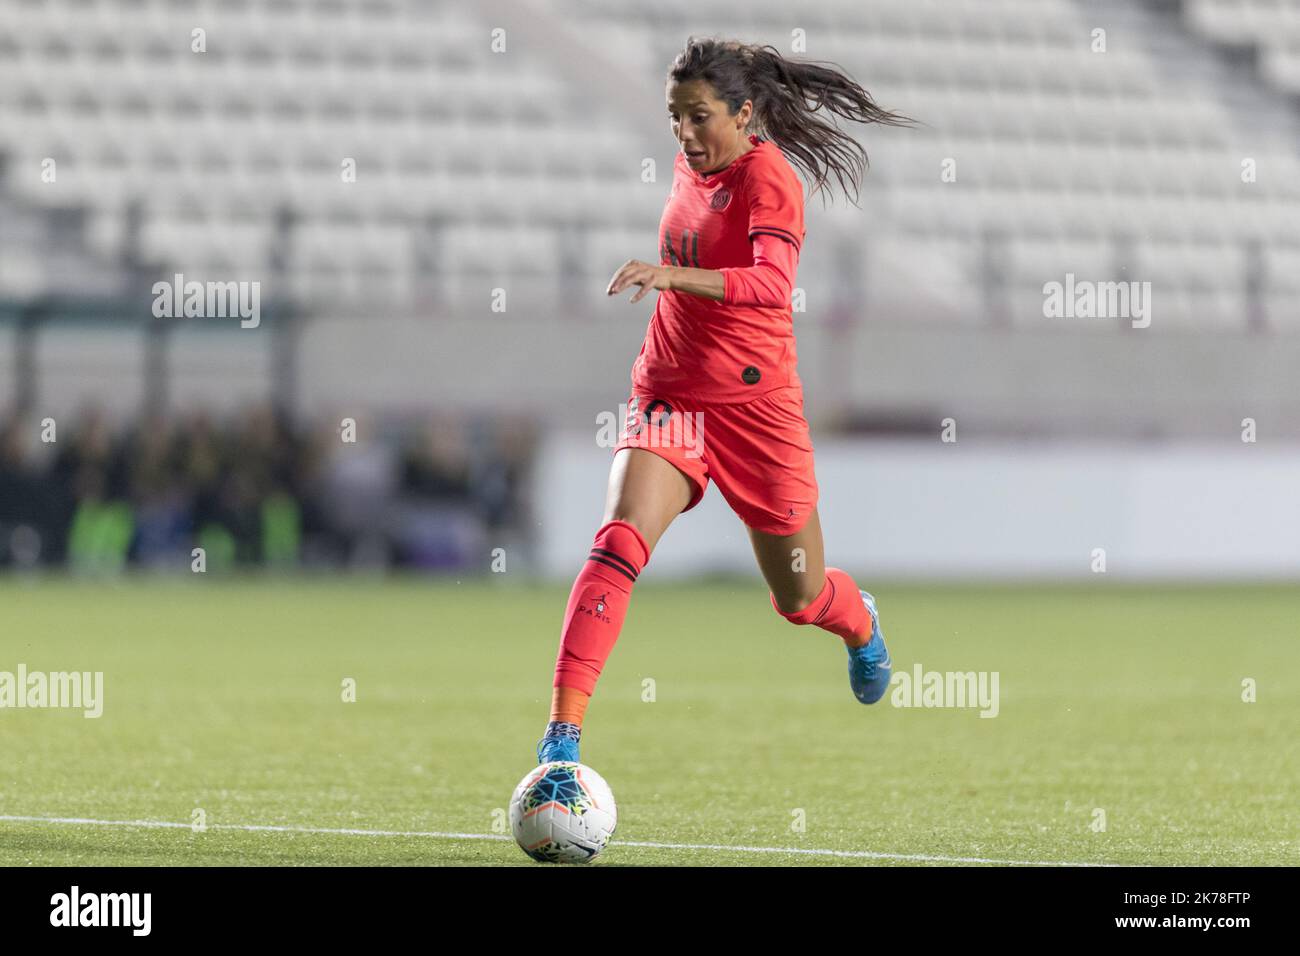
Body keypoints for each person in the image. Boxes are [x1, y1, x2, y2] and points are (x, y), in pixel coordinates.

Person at [538, 37, 913, 764]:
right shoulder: (690, 164)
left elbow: (772, 286)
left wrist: (674, 278)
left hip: (758, 412)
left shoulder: (770, 179)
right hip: (671, 395)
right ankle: (563, 739)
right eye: (675, 116)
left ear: (745, 114)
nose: (684, 133)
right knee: (618, 541)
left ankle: (859, 622)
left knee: (799, 600)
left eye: (699, 116)